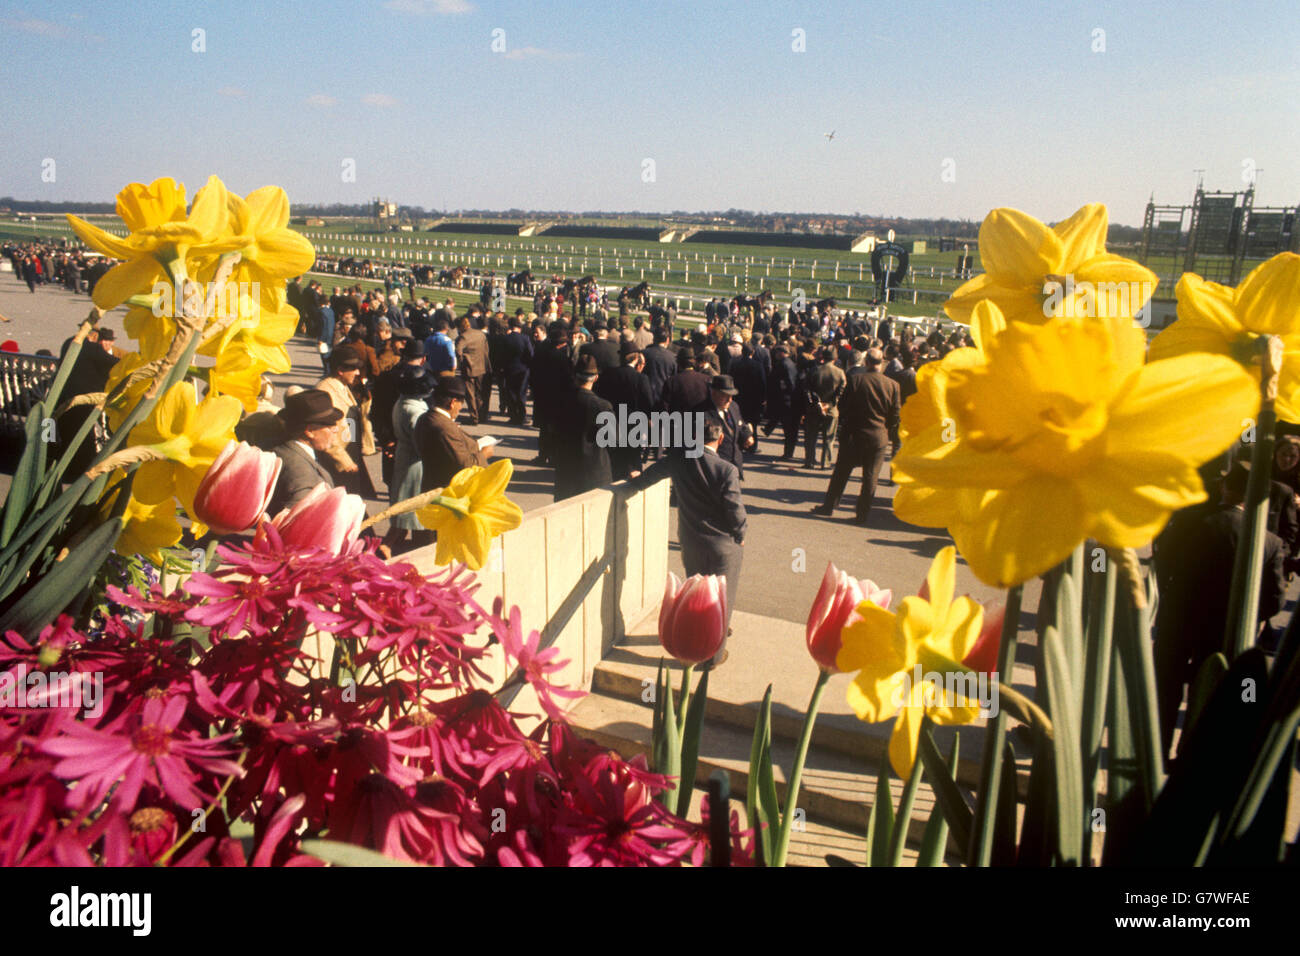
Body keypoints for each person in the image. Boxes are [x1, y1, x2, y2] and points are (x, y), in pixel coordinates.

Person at [1152, 461, 1287, 756]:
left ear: (1225, 487)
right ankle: (1189, 757)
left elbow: (1162, 561)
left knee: (1165, 686)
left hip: (1179, 616)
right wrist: (1248, 616)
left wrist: (1171, 595)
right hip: (1226, 627)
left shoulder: (1191, 520)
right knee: (1208, 692)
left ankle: (1154, 751)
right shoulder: (1270, 542)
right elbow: (1274, 599)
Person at [812, 348, 900, 525]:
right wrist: (886, 429)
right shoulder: (893, 385)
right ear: (882, 362)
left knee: (841, 473)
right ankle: (862, 514)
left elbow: (843, 407)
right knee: (870, 477)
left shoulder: (856, 380)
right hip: (878, 436)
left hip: (854, 433)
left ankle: (829, 506)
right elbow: (896, 415)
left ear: (866, 361)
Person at [267, 389, 344, 516]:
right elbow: (298, 522)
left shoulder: (280, 448)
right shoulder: (302, 475)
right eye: (330, 425)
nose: (336, 430)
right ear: (310, 431)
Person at [385, 365, 435, 554]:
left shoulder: (402, 403)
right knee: (417, 507)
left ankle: (389, 545)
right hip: (416, 463)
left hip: (404, 456)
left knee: (404, 508)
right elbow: (420, 440)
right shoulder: (415, 411)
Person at [553, 356, 612, 501]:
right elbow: (612, 439)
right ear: (596, 378)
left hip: (566, 467)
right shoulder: (602, 406)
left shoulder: (560, 400)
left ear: (575, 375)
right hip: (594, 470)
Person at [414, 378, 488, 493]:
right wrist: (484, 454)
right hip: (449, 492)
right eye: (461, 403)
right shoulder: (444, 427)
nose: (460, 408)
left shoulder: (426, 417)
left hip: (431, 483)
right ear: (453, 402)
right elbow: (465, 465)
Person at [693, 374, 753, 479]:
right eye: (725, 395)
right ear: (714, 393)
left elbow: (741, 424)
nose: (730, 400)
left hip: (734, 466)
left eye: (732, 396)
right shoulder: (700, 412)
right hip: (714, 469)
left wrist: (747, 435)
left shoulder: (733, 406)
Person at [804, 346, 846, 469]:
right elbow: (841, 392)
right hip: (831, 408)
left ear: (823, 356)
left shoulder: (814, 370)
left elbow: (807, 389)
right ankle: (825, 462)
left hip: (814, 408)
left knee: (811, 436)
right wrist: (831, 403)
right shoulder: (840, 373)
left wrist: (816, 403)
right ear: (835, 358)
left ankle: (809, 460)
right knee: (829, 437)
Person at [455, 314, 491, 425]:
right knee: (480, 393)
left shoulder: (463, 337)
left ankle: (474, 417)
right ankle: (481, 415)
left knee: (470, 394)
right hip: (481, 366)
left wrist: (461, 361)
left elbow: (458, 351)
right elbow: (486, 351)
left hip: (469, 368)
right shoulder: (480, 334)